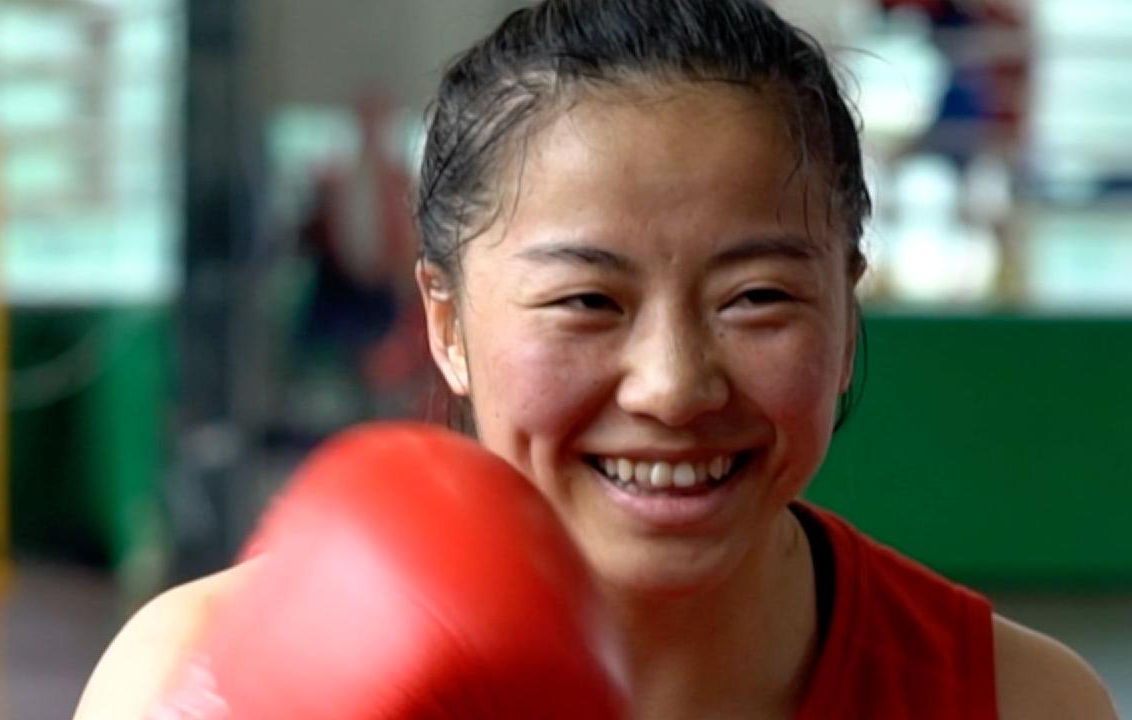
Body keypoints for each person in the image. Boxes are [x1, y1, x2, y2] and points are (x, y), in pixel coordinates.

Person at [75, 1, 1117, 718]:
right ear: (444, 321)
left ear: (844, 310)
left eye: (756, 298)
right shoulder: (192, 680)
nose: (671, 386)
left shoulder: (1010, 702)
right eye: (585, 301)